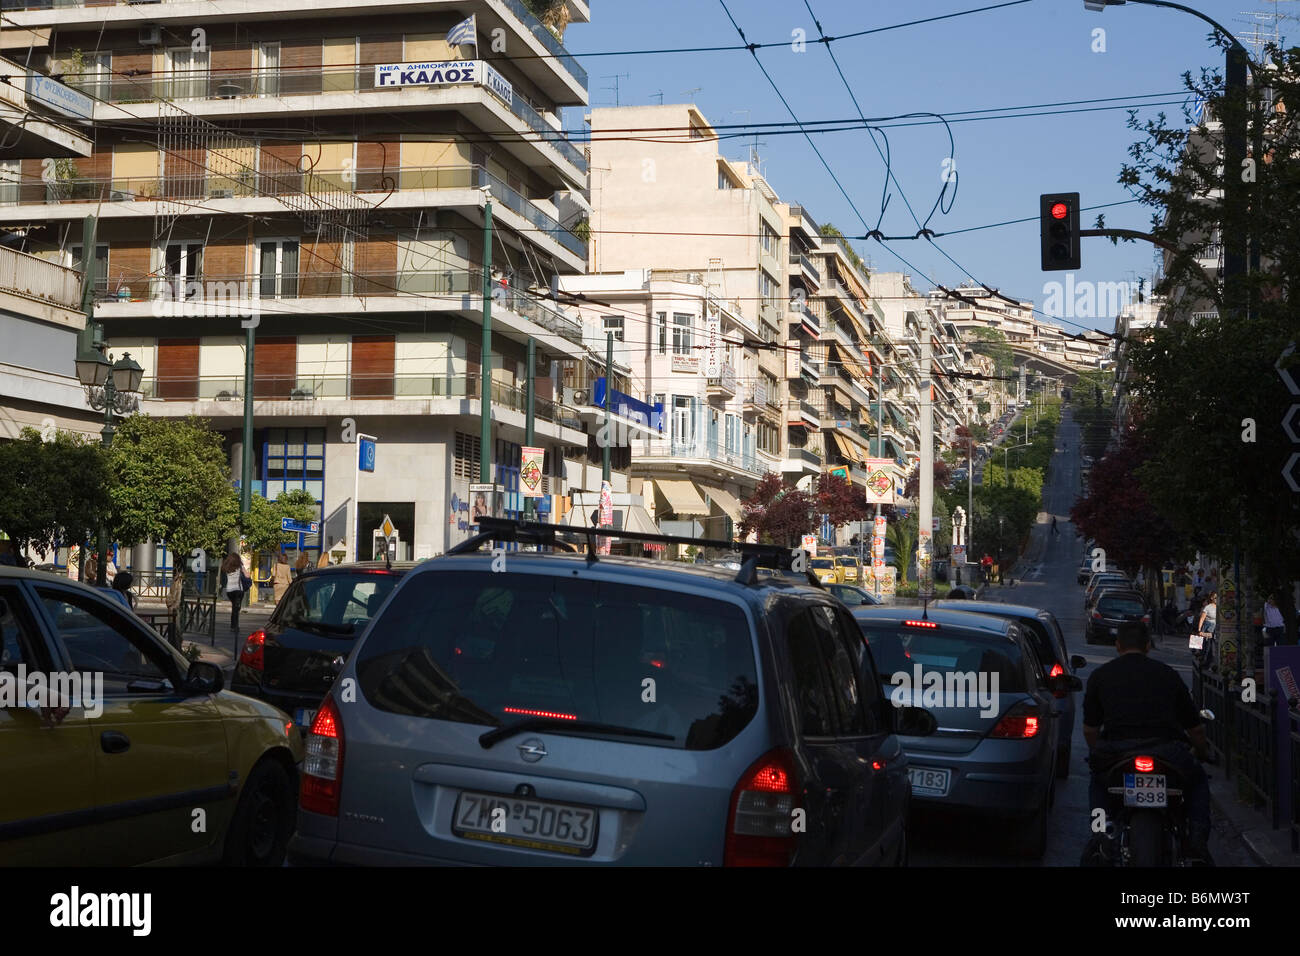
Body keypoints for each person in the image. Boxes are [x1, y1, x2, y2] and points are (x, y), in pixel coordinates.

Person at [1082, 620, 1213, 864]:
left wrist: (1099, 753)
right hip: (1168, 752)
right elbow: (1195, 728)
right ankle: (1197, 839)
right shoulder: (1168, 675)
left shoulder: (1101, 676)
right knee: (1197, 782)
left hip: (1117, 753)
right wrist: (1202, 752)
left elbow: (1090, 729)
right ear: (1148, 646)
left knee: (1098, 782)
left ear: (1118, 645)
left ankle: (1100, 831)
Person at [221, 552, 245, 633]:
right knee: (236, 609)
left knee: (234, 607)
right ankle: (235, 626)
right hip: (238, 590)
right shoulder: (239, 567)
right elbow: (247, 575)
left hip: (229, 590)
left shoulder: (227, 567)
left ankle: (233, 626)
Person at [165, 568, 186, 649]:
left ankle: (177, 644)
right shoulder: (174, 583)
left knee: (176, 629)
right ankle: (174, 643)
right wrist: (170, 604)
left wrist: (174, 606)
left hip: (174, 609)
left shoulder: (179, 585)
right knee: (172, 628)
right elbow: (170, 596)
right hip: (172, 608)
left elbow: (178, 599)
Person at [1196, 590, 1218, 664]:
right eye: (1215, 598)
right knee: (1208, 646)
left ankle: (1211, 662)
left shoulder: (1220, 607)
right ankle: (1204, 660)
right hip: (1208, 628)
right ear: (1211, 598)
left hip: (1216, 629)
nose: (1217, 599)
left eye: (1218, 598)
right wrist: (1199, 630)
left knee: (1214, 646)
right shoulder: (1208, 607)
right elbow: (1202, 618)